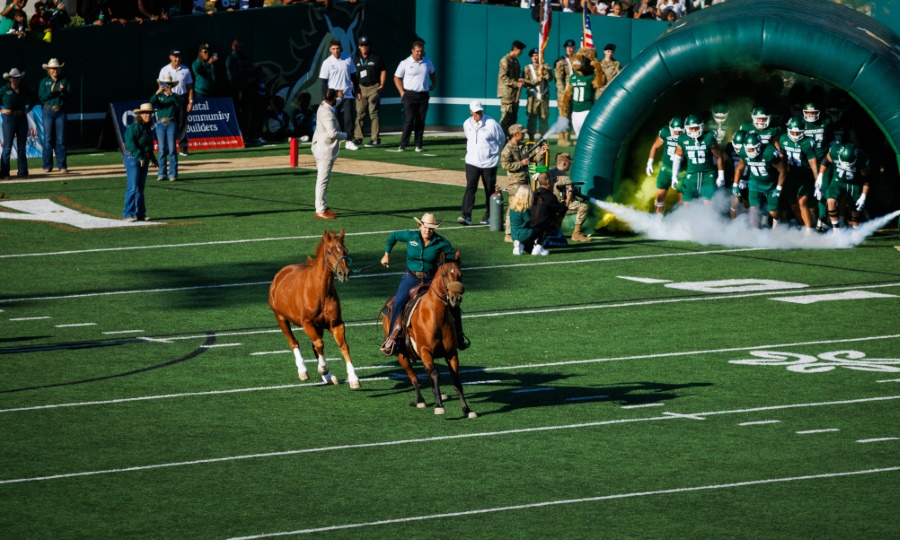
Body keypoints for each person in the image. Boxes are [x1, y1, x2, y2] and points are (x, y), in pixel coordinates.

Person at [379, 213, 467, 356]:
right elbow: (393, 237)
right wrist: (386, 255)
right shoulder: (410, 236)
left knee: (453, 304)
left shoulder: (442, 243)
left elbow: (453, 262)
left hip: (431, 279)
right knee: (398, 303)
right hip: (411, 278)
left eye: (431, 228)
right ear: (420, 225)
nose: (428, 230)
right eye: (426, 227)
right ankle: (392, 338)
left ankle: (458, 335)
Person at [459, 100, 505, 227]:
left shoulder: (492, 124)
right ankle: (466, 215)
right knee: (470, 187)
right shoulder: (466, 124)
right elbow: (469, 138)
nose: (479, 114)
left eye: (480, 111)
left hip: (489, 163)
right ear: (471, 112)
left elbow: (501, 139)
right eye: (476, 112)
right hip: (472, 161)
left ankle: (489, 214)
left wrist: (493, 154)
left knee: (489, 190)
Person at [501, 123, 544, 242]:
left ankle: (520, 230)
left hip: (524, 181)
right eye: (522, 132)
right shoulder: (508, 148)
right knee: (513, 207)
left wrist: (541, 152)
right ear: (516, 134)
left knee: (524, 207)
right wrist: (520, 163)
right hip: (514, 183)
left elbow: (532, 159)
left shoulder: (523, 146)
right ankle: (508, 234)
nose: (524, 134)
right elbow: (505, 165)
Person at [733, 133, 786, 229]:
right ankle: (755, 234)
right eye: (748, 149)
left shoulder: (768, 152)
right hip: (755, 184)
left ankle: (776, 223)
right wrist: (735, 184)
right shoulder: (744, 153)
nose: (749, 151)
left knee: (773, 212)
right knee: (753, 211)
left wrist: (778, 188)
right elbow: (739, 168)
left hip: (771, 185)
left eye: (752, 149)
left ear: (758, 147)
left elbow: (782, 170)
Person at [311, 89, 348, 220]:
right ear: (331, 99)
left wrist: (340, 97)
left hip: (321, 146)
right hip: (324, 149)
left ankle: (323, 206)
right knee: (322, 180)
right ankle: (320, 210)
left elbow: (334, 102)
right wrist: (346, 135)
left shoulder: (323, 105)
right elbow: (332, 133)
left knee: (323, 180)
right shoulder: (327, 113)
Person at [672, 114, 725, 205]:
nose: (694, 131)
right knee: (686, 205)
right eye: (691, 128)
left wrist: (721, 175)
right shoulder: (682, 139)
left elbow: (719, 157)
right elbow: (677, 158)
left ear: (701, 127)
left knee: (709, 207)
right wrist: (674, 176)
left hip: (708, 175)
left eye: (696, 128)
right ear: (686, 128)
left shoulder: (708, 138)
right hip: (691, 175)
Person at [393, 40, 435, 152]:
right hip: (409, 95)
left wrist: (433, 84)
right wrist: (401, 92)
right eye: (417, 51)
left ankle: (418, 145)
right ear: (412, 51)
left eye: (421, 51)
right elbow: (396, 77)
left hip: (423, 95)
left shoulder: (427, 62)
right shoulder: (405, 63)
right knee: (409, 120)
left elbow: (433, 73)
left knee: (420, 121)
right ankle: (403, 145)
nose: (419, 53)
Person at [779, 116, 818, 231]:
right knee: (794, 206)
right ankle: (804, 227)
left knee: (802, 201)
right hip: (792, 175)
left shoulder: (807, 142)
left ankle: (809, 231)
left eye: (798, 132)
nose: (795, 135)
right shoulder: (783, 139)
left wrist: (817, 181)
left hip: (805, 175)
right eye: (793, 132)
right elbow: (782, 157)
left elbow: (813, 164)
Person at [319, 39, 358, 150]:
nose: (336, 51)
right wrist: (324, 97)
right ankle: (334, 141)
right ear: (330, 50)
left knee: (348, 117)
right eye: (333, 49)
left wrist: (357, 90)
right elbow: (324, 82)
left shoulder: (348, 59)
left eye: (338, 48)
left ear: (341, 49)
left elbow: (354, 76)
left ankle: (349, 141)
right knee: (334, 118)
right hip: (333, 96)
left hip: (347, 94)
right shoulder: (327, 62)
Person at [122, 103, 157, 222]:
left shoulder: (147, 127)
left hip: (144, 158)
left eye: (150, 113)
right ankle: (128, 214)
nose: (148, 115)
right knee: (132, 187)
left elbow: (148, 145)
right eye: (145, 113)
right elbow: (130, 143)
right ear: (140, 114)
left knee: (140, 187)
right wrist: (139, 156)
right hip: (133, 158)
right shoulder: (134, 127)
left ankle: (140, 213)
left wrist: (152, 158)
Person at [822, 142, 869, 230]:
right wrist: (820, 176)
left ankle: (856, 231)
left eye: (849, 162)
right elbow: (825, 161)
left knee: (855, 210)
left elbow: (867, 179)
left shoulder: (861, 158)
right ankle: (836, 230)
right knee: (830, 201)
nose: (847, 165)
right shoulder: (835, 151)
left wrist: (863, 196)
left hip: (854, 184)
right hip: (838, 181)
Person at [1, 68, 38, 180]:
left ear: (19, 79)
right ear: (9, 79)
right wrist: (1, 110)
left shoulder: (24, 89)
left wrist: (29, 108)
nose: (15, 80)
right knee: (7, 146)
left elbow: (34, 98)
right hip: (9, 118)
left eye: (17, 78)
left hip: (22, 117)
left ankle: (22, 172)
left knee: (22, 146)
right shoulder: (4, 89)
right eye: (14, 78)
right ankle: (4, 173)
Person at [158, 49, 194, 157]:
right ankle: (169, 147)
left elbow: (190, 88)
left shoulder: (185, 70)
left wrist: (190, 101)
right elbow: (160, 86)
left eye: (179, 57)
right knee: (169, 122)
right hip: (169, 99)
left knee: (182, 123)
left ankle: (183, 148)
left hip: (182, 98)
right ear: (170, 57)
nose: (177, 59)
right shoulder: (164, 70)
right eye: (175, 57)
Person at [549, 152, 592, 241]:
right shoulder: (566, 178)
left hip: (550, 205)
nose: (570, 165)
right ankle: (577, 233)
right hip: (562, 204)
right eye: (569, 163)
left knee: (555, 231)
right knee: (584, 206)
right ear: (564, 164)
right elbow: (569, 196)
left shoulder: (549, 173)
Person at [646, 117, 685, 214]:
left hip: (682, 173)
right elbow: (655, 146)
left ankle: (683, 224)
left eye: (679, 132)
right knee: (659, 200)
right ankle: (658, 221)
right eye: (675, 131)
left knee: (684, 203)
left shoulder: (688, 136)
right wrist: (650, 162)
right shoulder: (665, 132)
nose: (677, 134)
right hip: (666, 170)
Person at [38, 58, 70, 174]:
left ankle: (62, 165)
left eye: (56, 68)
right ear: (49, 70)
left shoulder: (64, 81)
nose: (54, 70)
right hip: (48, 111)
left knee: (61, 139)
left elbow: (69, 96)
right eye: (53, 69)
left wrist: (62, 92)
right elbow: (42, 97)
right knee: (48, 139)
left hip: (60, 111)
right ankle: (47, 165)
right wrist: (51, 92)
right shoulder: (44, 82)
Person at [353, 35, 386, 148]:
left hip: (373, 87)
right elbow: (353, 75)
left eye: (366, 45)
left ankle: (375, 139)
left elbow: (383, 70)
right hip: (360, 89)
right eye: (362, 45)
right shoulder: (356, 59)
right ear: (359, 47)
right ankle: (358, 137)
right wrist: (356, 88)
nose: (364, 47)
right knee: (360, 113)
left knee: (373, 113)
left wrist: (381, 84)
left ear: (369, 46)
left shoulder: (376, 57)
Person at [150, 74, 182, 182]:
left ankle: (172, 174)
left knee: (172, 149)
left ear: (172, 85)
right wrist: (158, 91)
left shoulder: (174, 96)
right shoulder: (159, 96)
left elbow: (179, 104)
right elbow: (151, 103)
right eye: (165, 84)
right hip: (160, 124)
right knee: (162, 150)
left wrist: (172, 94)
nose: (167, 86)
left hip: (171, 123)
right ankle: (162, 173)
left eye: (169, 84)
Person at [529, 173, 567, 255]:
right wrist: (567, 199)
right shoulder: (550, 196)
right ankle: (539, 245)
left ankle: (538, 245)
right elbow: (561, 210)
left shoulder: (534, 193)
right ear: (548, 182)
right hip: (542, 226)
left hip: (530, 223)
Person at [226, 39, 254, 147]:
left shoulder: (244, 57)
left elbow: (250, 69)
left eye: (240, 46)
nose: (239, 48)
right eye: (237, 46)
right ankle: (239, 136)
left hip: (246, 88)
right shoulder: (231, 58)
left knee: (247, 113)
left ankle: (247, 135)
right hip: (236, 90)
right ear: (233, 47)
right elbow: (231, 76)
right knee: (237, 114)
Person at [522, 48, 552, 143]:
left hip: (543, 97)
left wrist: (544, 72)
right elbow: (524, 82)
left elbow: (550, 78)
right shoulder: (527, 68)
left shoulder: (546, 67)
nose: (535, 57)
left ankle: (543, 139)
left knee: (544, 118)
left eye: (537, 55)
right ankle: (531, 138)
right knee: (532, 118)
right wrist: (536, 80)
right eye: (533, 55)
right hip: (533, 97)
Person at [497, 40, 525, 138]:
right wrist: (516, 83)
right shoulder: (505, 61)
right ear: (515, 49)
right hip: (507, 95)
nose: (521, 53)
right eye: (520, 50)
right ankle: (501, 139)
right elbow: (503, 78)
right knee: (506, 118)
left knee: (513, 119)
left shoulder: (515, 61)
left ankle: (509, 140)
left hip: (515, 95)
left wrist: (519, 80)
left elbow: (515, 76)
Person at [554, 39, 576, 147]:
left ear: (574, 48)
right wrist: (564, 93)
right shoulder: (561, 61)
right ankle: (562, 138)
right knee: (564, 114)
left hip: (575, 93)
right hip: (564, 93)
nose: (569, 49)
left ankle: (568, 136)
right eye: (568, 48)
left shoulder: (577, 60)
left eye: (571, 48)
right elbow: (559, 79)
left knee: (572, 115)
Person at [509, 184, 537, 255]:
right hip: (523, 234)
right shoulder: (524, 209)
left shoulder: (513, 207)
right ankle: (538, 247)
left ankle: (519, 245)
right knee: (540, 228)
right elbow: (530, 220)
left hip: (514, 234)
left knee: (530, 249)